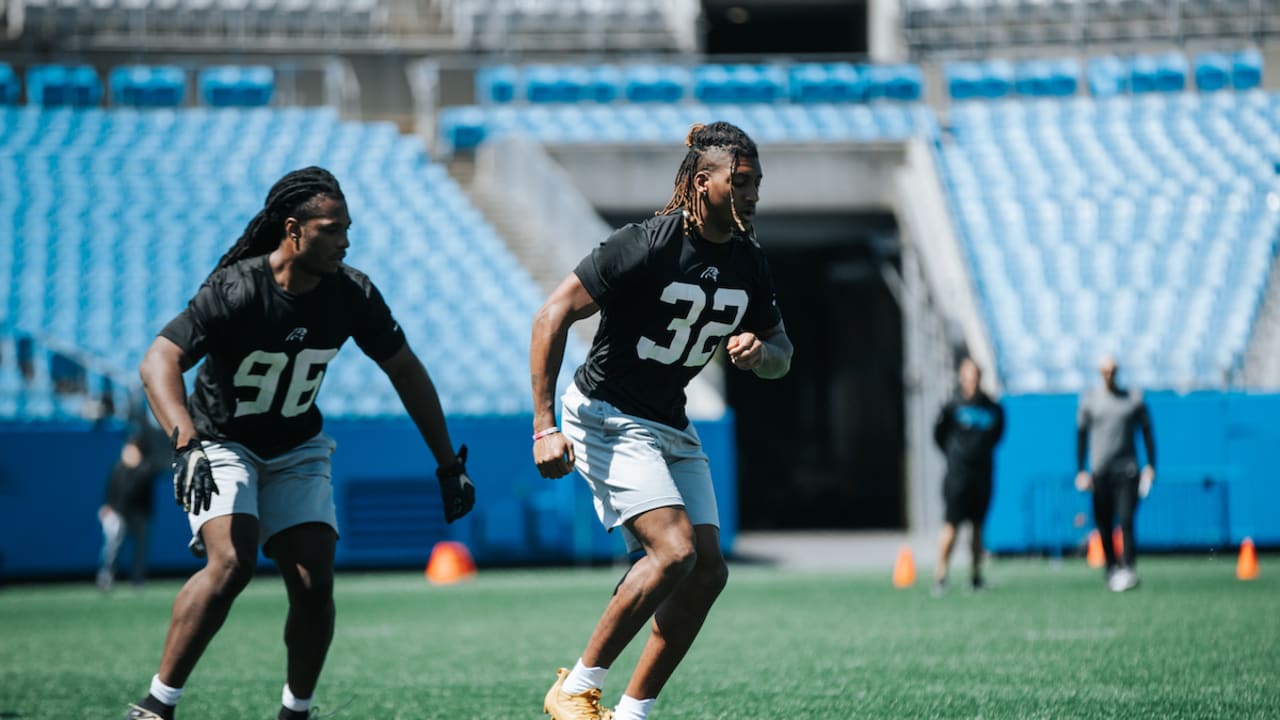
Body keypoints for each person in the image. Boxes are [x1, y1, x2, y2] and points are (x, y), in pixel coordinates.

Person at [126, 167, 475, 720]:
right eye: (332, 230)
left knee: (314, 578)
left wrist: (446, 464)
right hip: (221, 439)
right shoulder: (237, 288)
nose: (345, 241)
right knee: (232, 563)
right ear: (293, 230)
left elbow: (405, 370)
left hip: (296, 444)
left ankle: (296, 712)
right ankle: (156, 704)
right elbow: (158, 360)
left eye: (347, 229)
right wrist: (185, 443)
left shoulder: (351, 293)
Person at [530, 122, 793, 720]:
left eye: (758, 182)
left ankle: (632, 713)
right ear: (704, 183)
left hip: (667, 420)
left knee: (706, 571)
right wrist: (545, 428)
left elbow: (783, 355)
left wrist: (762, 354)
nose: (753, 194)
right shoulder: (646, 243)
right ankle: (575, 688)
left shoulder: (749, 261)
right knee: (673, 553)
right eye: (743, 181)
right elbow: (551, 316)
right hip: (605, 413)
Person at [1075, 355, 1155, 593]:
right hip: (1101, 471)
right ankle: (1111, 567)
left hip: (1127, 469)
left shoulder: (1131, 399)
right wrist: (1081, 470)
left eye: (1112, 371)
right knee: (1104, 522)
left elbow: (1147, 432)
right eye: (1104, 371)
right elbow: (1080, 436)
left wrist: (1151, 465)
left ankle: (1128, 566)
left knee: (1127, 519)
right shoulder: (1090, 400)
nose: (1108, 375)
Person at [931, 358, 1004, 595]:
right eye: (967, 375)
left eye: (975, 375)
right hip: (957, 477)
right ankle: (940, 576)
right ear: (961, 377)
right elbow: (939, 436)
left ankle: (975, 576)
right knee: (951, 526)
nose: (971, 379)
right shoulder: (952, 406)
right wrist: (956, 458)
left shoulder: (992, 408)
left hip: (981, 476)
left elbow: (997, 435)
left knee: (978, 527)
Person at [97, 432, 161, 591]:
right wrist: (108, 506)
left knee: (140, 549)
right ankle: (107, 577)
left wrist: (135, 468)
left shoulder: (146, 468)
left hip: (141, 514)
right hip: (119, 512)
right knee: (112, 547)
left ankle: (137, 581)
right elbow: (112, 489)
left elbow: (134, 489)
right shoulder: (119, 467)